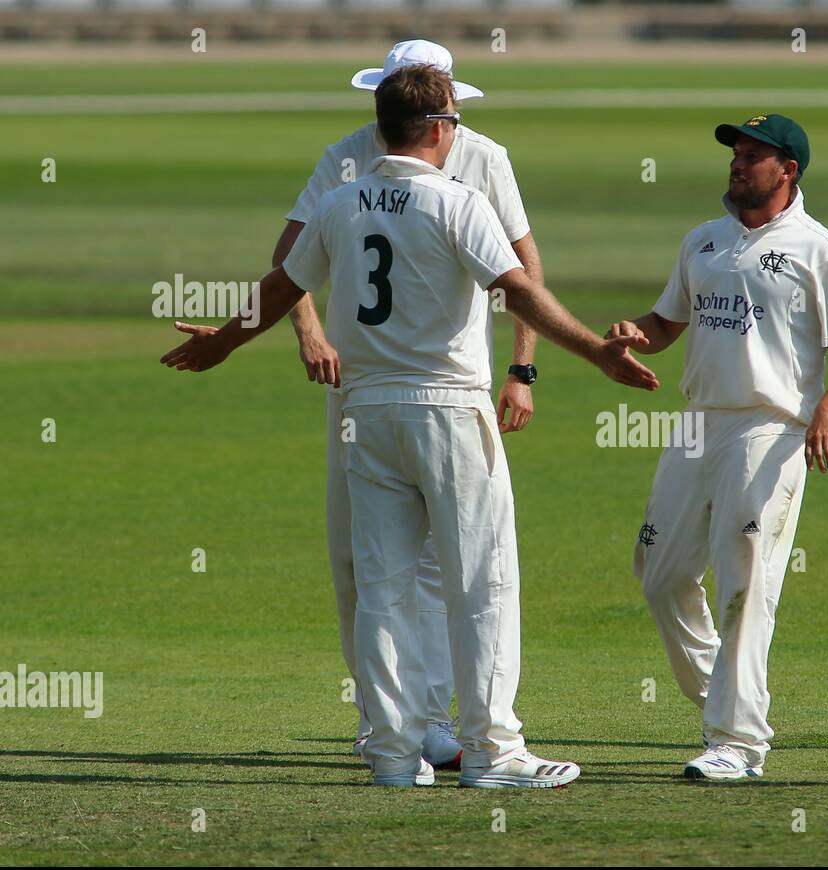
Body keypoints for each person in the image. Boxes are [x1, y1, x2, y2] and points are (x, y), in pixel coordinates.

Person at [162, 65, 659, 787]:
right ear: (435, 128)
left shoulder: (340, 201)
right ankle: (493, 752)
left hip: (365, 415)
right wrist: (594, 354)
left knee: (384, 587)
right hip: (448, 409)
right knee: (483, 582)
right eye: (452, 120)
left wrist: (222, 344)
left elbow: (282, 286)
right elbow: (516, 288)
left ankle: (394, 757)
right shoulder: (456, 202)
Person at [614, 114, 828, 781]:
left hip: (771, 430)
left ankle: (738, 742)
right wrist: (634, 334)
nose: (736, 165)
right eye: (735, 154)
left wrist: (827, 408)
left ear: (787, 170)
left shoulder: (821, 250)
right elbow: (669, 321)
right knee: (659, 571)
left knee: (744, 580)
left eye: (752, 156)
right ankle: (727, 699)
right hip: (699, 424)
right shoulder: (703, 240)